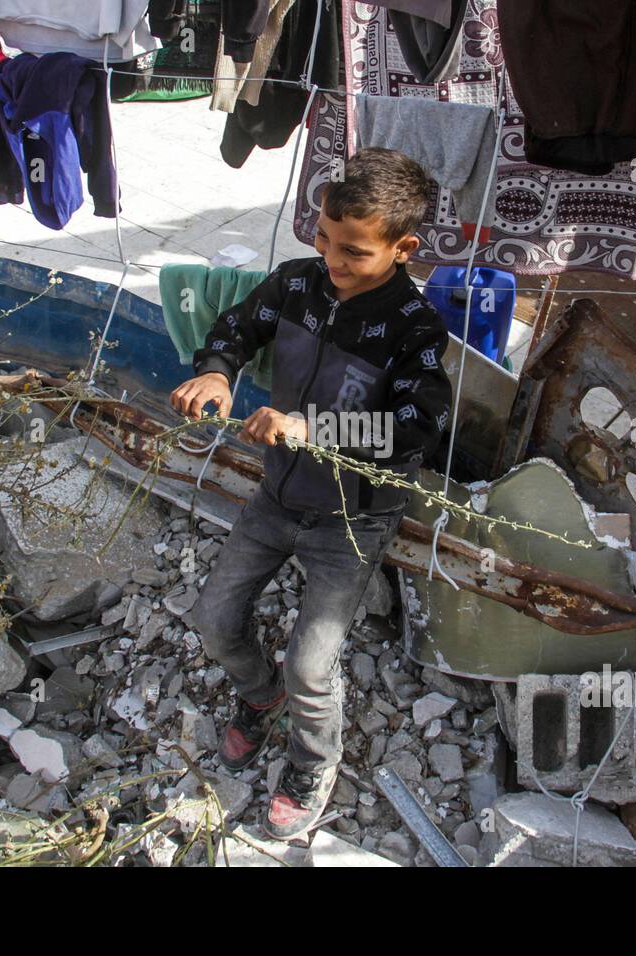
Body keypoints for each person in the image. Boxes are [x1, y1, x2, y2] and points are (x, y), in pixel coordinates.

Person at [170, 147, 453, 840]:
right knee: (213, 619)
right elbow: (238, 327)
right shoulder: (298, 285)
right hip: (277, 498)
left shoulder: (415, 329)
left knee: (311, 663)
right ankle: (258, 698)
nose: (332, 258)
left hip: (351, 521)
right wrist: (216, 373)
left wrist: (312, 426)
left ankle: (312, 763)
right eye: (323, 239)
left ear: (403, 247)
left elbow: (421, 426)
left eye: (353, 251)